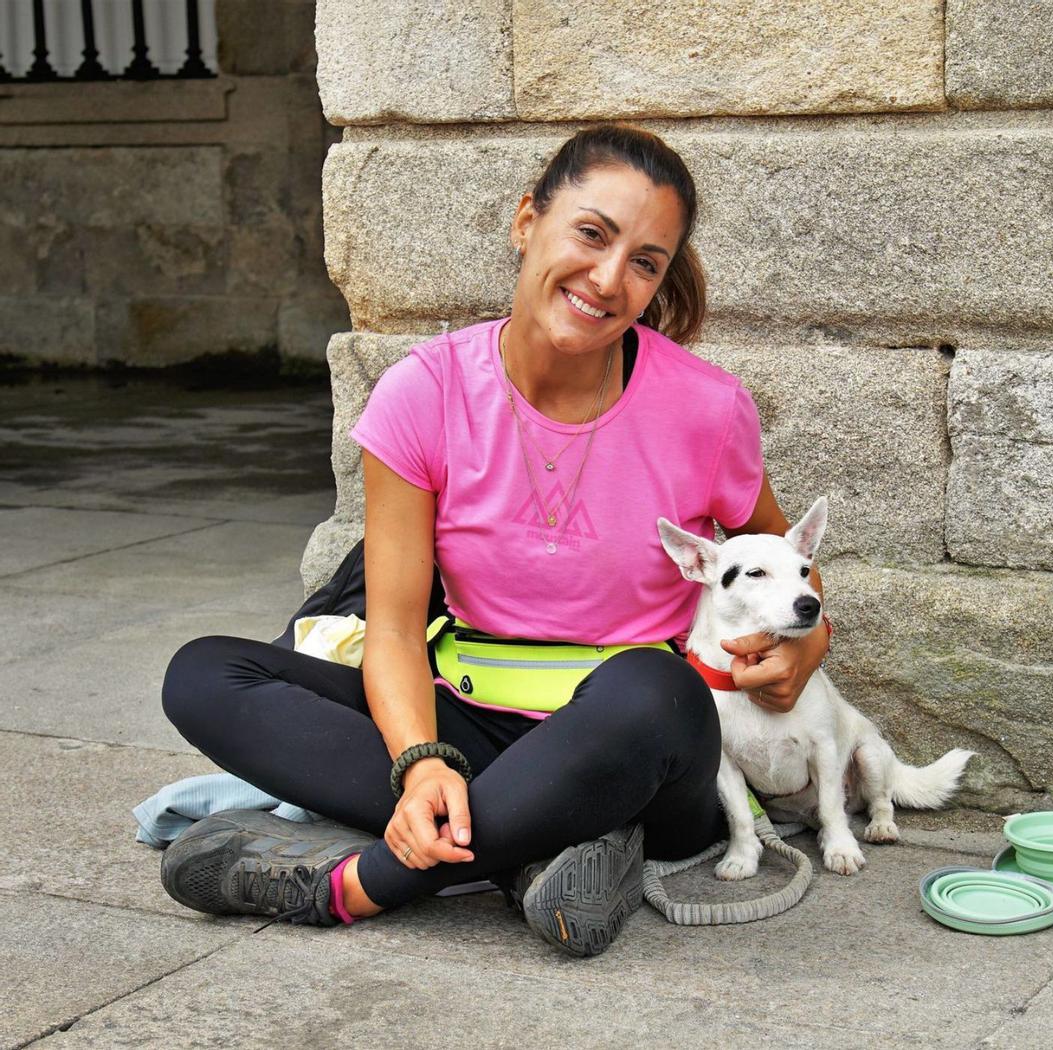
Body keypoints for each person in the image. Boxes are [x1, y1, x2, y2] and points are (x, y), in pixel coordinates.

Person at [158, 124, 829, 957]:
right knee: (205, 674)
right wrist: (422, 762)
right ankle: (541, 847)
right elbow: (396, 628)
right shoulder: (425, 392)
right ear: (526, 221)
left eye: (646, 262)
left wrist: (813, 637)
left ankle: (359, 882)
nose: (609, 279)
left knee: (657, 690)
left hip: (635, 741)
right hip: (468, 710)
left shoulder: (707, 409)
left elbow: (786, 564)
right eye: (592, 233)